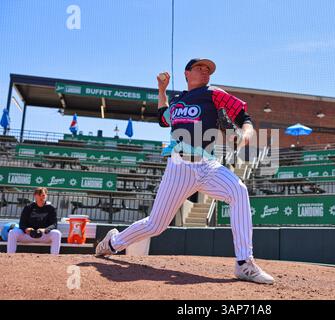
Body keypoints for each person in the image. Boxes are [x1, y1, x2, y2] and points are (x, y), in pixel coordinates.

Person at [96, 58, 274, 284]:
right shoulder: (178, 100)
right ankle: (112, 243)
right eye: (200, 68)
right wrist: (161, 90)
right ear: (187, 73)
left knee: (238, 191)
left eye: (208, 69)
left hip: (207, 165)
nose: (205, 71)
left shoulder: (213, 93)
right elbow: (162, 118)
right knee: (156, 225)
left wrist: (246, 134)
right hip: (179, 166)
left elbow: (243, 118)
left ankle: (244, 263)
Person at [7, 187, 61, 254]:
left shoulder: (51, 208)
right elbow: (22, 224)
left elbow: (54, 224)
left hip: (43, 235)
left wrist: (45, 230)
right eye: (39, 195)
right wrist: (26, 229)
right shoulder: (28, 207)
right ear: (35, 196)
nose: (42, 197)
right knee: (13, 232)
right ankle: (10, 255)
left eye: (43, 195)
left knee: (57, 233)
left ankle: (54, 258)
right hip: (29, 235)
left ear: (46, 196)